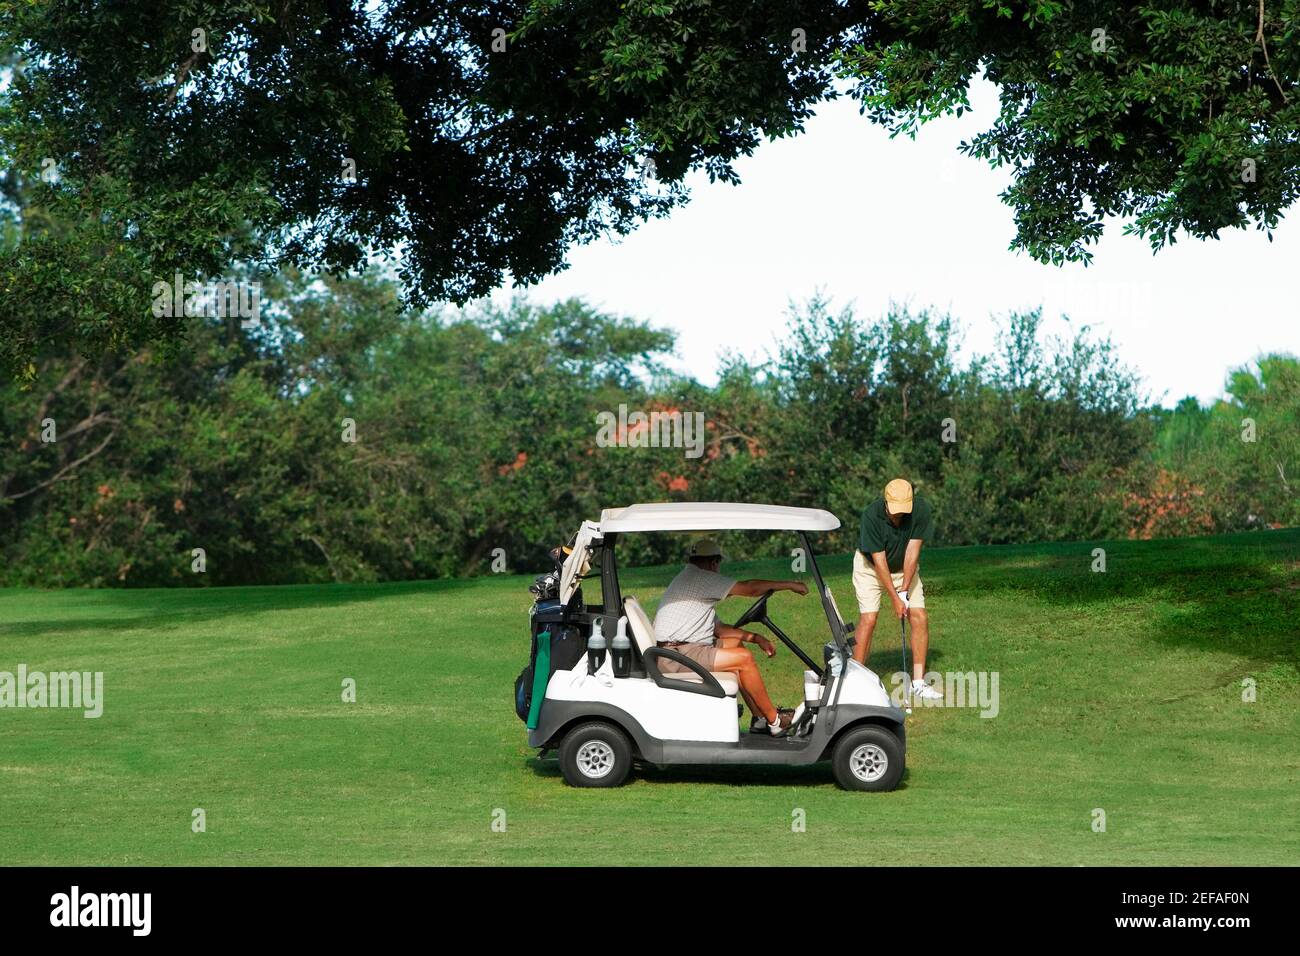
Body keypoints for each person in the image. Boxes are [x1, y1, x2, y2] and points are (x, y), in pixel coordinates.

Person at [653, 539, 807, 735]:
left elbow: (720, 630)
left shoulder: (689, 580)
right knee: (744, 659)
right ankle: (776, 721)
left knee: (734, 644)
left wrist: (755, 637)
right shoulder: (702, 578)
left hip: (678, 651)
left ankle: (759, 718)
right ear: (713, 563)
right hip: (675, 656)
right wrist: (789, 585)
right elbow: (750, 588)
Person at [852, 478, 943, 702]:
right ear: (886, 502)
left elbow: (912, 553)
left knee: (919, 616)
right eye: (895, 510)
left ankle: (918, 684)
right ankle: (852, 682)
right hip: (870, 569)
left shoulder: (920, 511)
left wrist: (904, 590)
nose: (898, 515)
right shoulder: (871, 516)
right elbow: (879, 561)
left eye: (903, 510)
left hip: (905, 569)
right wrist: (895, 598)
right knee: (869, 619)